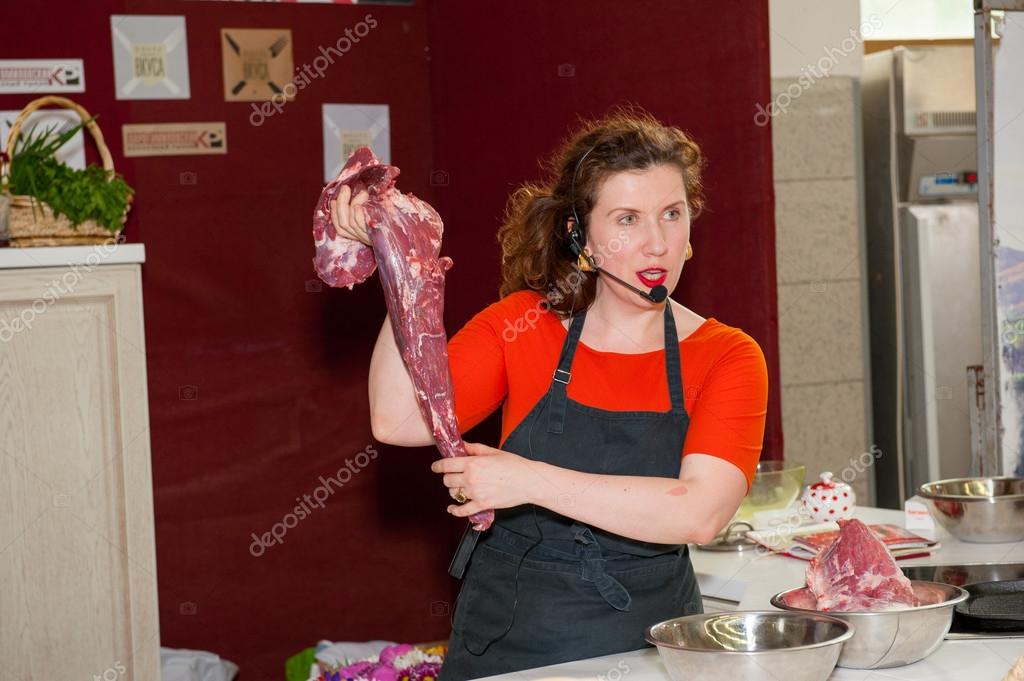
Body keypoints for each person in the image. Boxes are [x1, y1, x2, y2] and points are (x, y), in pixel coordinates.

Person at [330, 108, 768, 681]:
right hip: (511, 638)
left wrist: (527, 479)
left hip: (652, 647)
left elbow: (698, 514)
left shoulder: (728, 355)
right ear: (578, 233)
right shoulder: (522, 325)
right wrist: (399, 272)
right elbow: (397, 421)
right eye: (627, 219)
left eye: (672, 214)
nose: (656, 243)